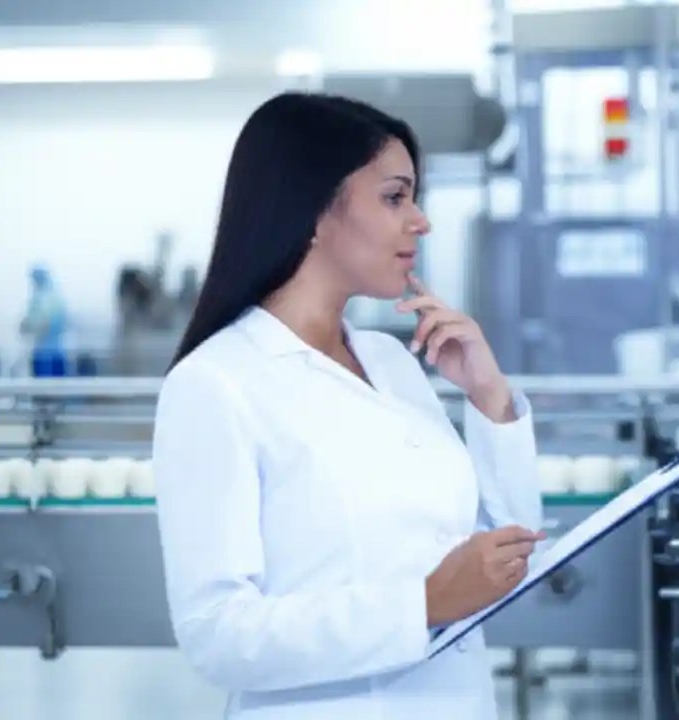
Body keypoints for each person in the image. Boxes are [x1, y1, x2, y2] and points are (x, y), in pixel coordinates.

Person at [151, 92, 544, 720]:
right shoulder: (216, 384)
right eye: (395, 197)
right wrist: (420, 604)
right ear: (312, 209)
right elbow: (217, 634)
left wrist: (489, 398)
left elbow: (510, 549)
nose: (421, 220)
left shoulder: (391, 363)